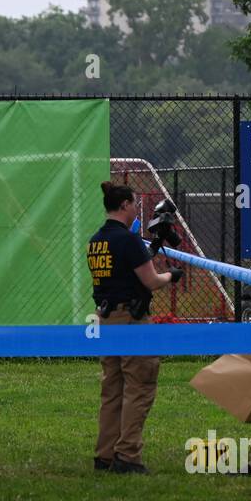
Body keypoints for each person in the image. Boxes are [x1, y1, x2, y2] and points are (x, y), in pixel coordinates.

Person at [86, 182, 183, 475]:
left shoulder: (96, 241)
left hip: (106, 319)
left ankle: (104, 455)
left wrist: (150, 255)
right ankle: (127, 456)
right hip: (131, 320)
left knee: (112, 389)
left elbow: (120, 273)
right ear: (126, 205)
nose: (136, 208)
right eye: (134, 203)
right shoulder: (127, 241)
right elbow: (151, 281)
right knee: (139, 386)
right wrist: (171, 275)